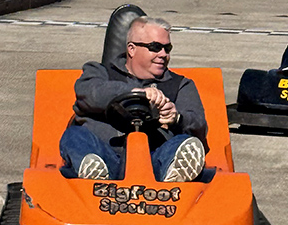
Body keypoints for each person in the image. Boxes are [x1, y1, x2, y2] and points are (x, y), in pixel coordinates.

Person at [59, 16, 207, 182]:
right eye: (155, 47)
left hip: (154, 164)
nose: (163, 54)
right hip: (105, 154)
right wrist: (136, 93)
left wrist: (177, 118)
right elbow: (89, 93)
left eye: (167, 48)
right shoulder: (100, 73)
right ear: (131, 49)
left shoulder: (179, 85)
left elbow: (200, 126)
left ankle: (172, 171)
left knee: (185, 142)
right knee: (75, 135)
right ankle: (95, 171)